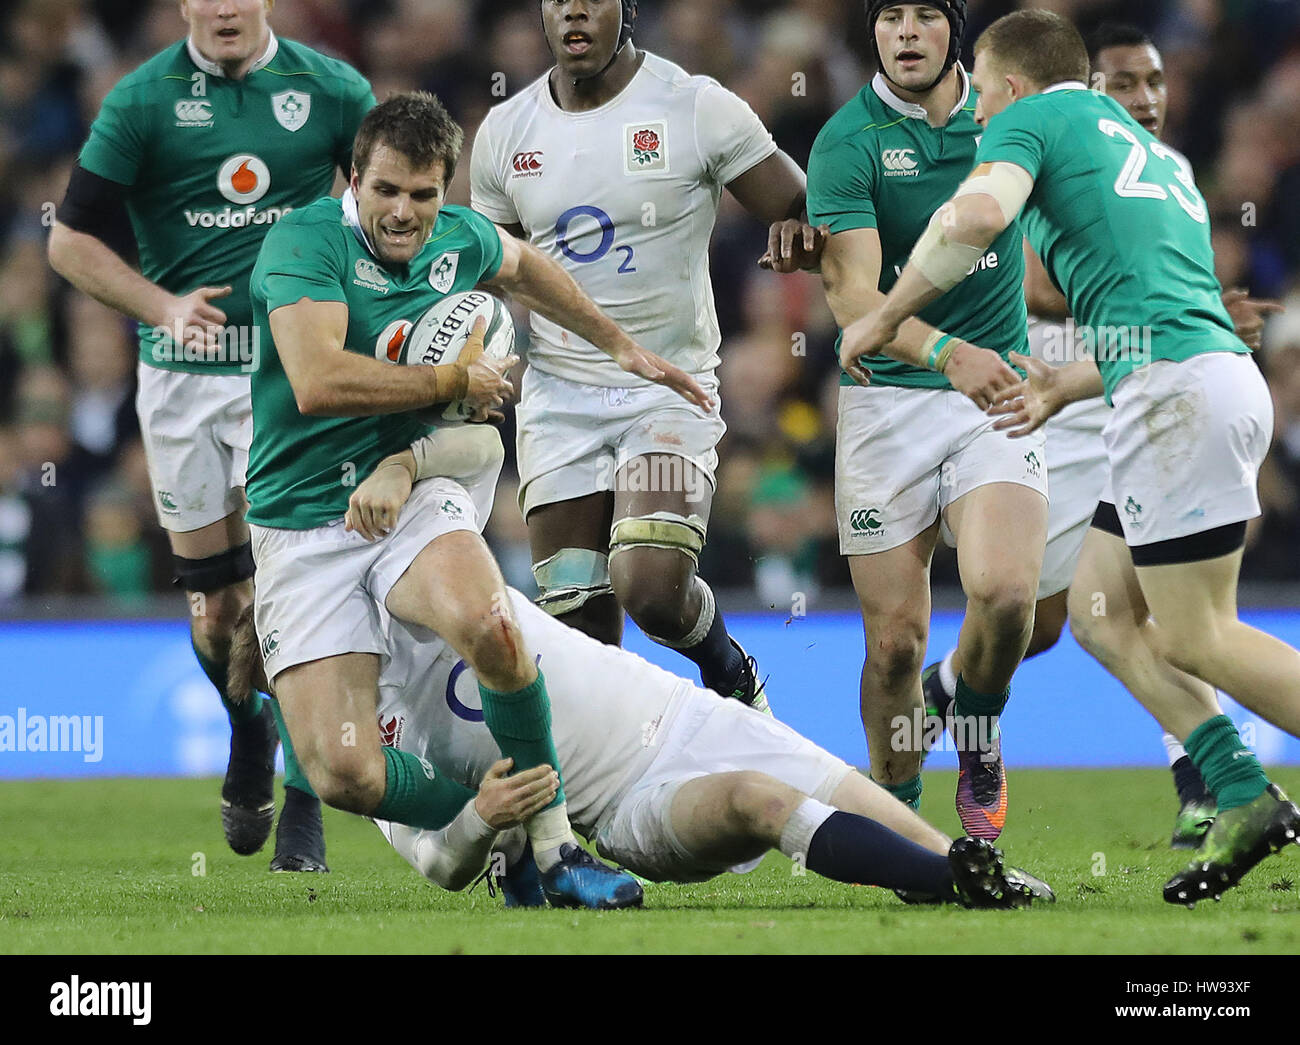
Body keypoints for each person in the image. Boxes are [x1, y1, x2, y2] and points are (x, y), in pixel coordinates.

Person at [842, 8, 1300, 904]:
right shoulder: (1151, 159)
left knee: (1198, 634)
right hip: (1194, 383)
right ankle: (1241, 789)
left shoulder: (1033, 118)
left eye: (978, 81)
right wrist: (1062, 387)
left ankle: (1245, 787)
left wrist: (888, 314)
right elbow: (1154, 307)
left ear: (1009, 81)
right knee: (1097, 610)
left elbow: (976, 215)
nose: (974, 104)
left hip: (1175, 399)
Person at [225, 449, 1055, 912]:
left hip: (676, 706)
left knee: (859, 795)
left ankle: (971, 872)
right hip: (627, 807)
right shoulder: (378, 747)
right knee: (759, 803)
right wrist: (480, 817)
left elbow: (466, 449)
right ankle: (956, 883)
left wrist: (402, 458)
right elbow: (440, 863)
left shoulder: (430, 580)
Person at [245, 90, 710, 909]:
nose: (403, 212)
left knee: (492, 625)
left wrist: (619, 344)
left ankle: (556, 845)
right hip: (303, 519)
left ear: (443, 192)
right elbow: (316, 382)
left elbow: (525, 265)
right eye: (385, 191)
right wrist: (451, 379)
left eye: (423, 195)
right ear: (354, 181)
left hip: (416, 488)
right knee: (344, 770)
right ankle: (496, 827)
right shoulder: (304, 242)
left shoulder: (457, 239)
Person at [46, 0, 377, 870]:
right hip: (183, 380)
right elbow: (68, 241)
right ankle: (250, 730)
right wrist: (159, 305)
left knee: (295, 590)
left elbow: (386, 216)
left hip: (291, 375)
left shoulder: (333, 88)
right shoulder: (141, 101)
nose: (225, 5)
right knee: (215, 616)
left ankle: (305, 800)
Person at [469, 0, 825, 713]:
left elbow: (801, 204)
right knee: (581, 634)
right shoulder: (505, 133)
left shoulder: (695, 108)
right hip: (559, 400)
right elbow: (495, 267)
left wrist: (803, 236)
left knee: (652, 585)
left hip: (668, 390)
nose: (572, 9)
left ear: (626, 10)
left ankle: (728, 669)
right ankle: (623, 808)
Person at [805, 0, 1044, 841]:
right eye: (889, 17)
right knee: (897, 645)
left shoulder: (1008, 118)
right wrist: (949, 353)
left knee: (1007, 594)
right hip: (888, 405)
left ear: (958, 31)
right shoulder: (847, 140)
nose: (906, 33)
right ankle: (901, 828)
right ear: (871, 33)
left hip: (998, 395)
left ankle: (978, 725)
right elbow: (853, 300)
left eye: (926, 16)